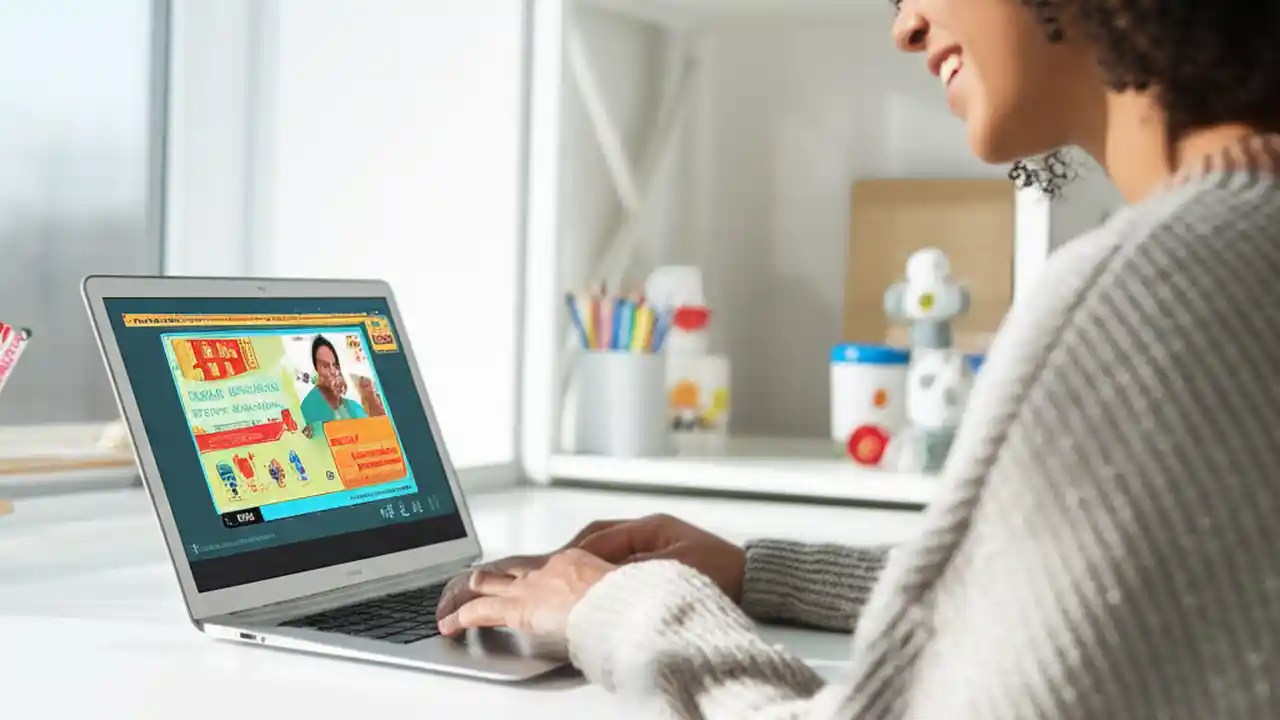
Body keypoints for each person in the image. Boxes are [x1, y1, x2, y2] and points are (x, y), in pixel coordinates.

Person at [437, 0, 1280, 716]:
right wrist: (767, 574)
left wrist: (613, 609)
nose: (905, 27)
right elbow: (1099, 602)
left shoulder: (1142, 293)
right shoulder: (1243, 244)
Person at [299, 335, 366, 439]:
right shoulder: (308, 405)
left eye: (335, 365)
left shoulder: (351, 406)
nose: (333, 371)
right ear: (316, 369)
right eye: (325, 366)